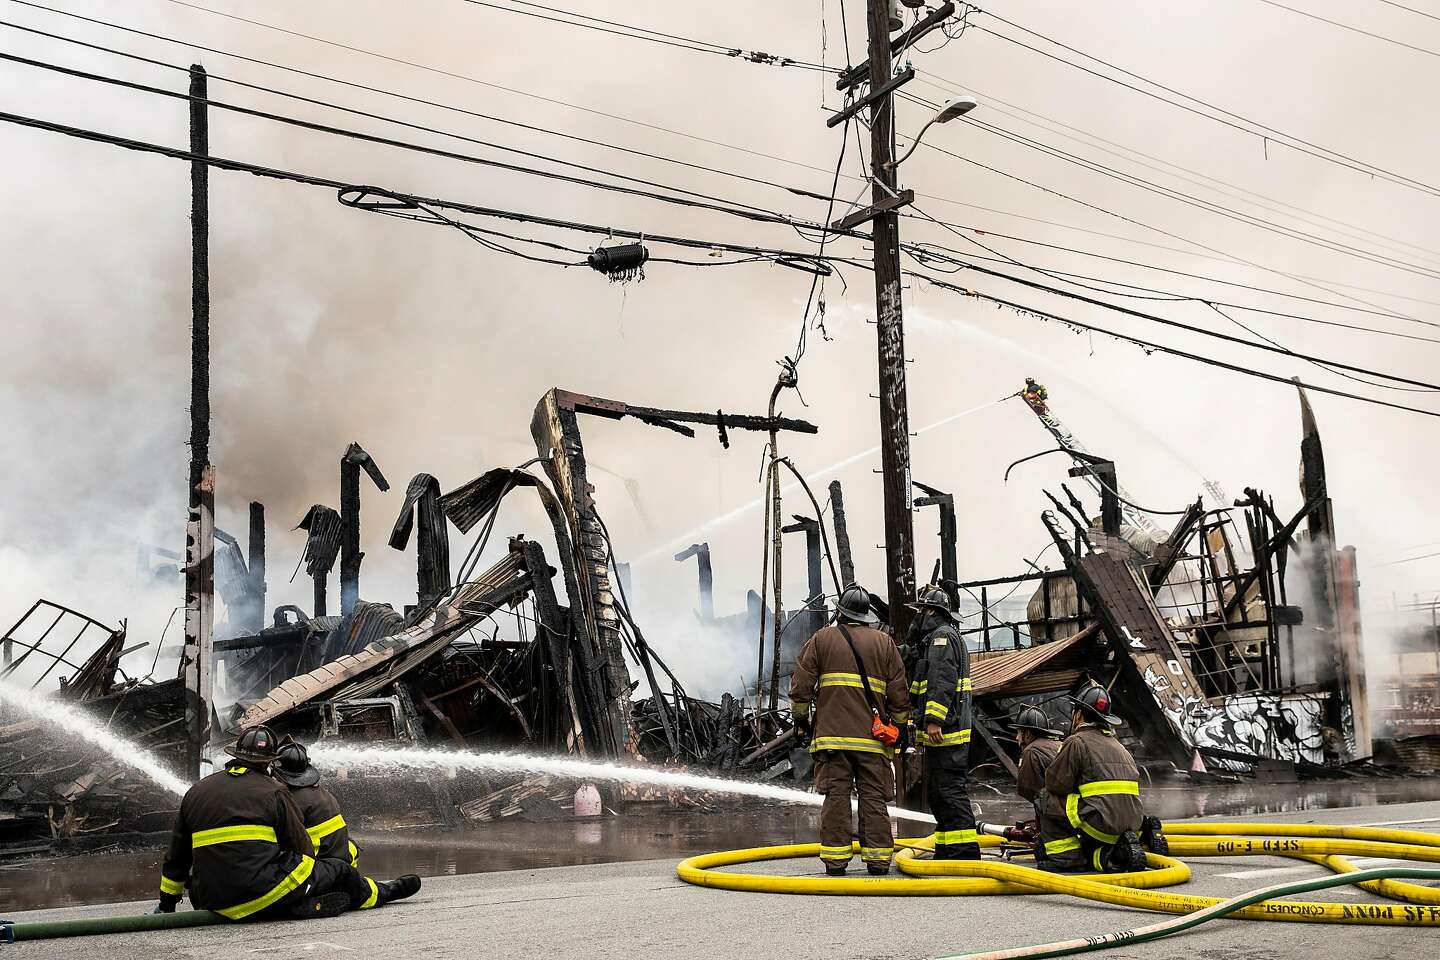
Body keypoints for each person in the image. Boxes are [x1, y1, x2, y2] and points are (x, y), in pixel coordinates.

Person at [155, 725, 421, 919]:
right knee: (340, 871)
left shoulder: (196, 791)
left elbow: (176, 857)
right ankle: (383, 893)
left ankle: (302, 902)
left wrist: (166, 906)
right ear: (270, 763)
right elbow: (301, 850)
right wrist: (320, 876)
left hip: (208, 901)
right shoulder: (273, 792)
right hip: (260, 894)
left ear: (235, 755)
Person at [790, 583, 910, 876]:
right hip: (873, 739)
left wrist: (801, 724)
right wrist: (901, 728)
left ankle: (835, 861)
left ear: (840, 613)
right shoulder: (884, 643)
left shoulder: (821, 639)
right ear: (866, 614)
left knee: (836, 798)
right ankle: (879, 861)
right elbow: (899, 694)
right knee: (874, 798)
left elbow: (801, 688)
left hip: (832, 740)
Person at [1039, 685, 1148, 874]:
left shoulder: (1076, 741)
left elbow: (1056, 784)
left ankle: (1067, 858)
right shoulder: (1120, 746)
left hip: (1101, 825)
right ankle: (1107, 854)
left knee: (1044, 797)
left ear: (1079, 714)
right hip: (1132, 825)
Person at [905, 584, 979, 861]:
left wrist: (933, 720)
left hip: (947, 732)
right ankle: (949, 848)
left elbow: (941, 680)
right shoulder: (936, 638)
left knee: (949, 792)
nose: (917, 617)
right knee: (940, 793)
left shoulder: (942, 638)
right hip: (945, 732)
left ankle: (963, 852)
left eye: (920, 611)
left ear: (932, 611)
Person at [273, 738, 360, 869]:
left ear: (281, 775)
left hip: (322, 871)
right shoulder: (323, 793)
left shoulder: (291, 801)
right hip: (345, 864)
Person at [1006, 706, 1066, 865]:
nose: (1016, 737)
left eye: (1019, 732)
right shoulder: (1058, 744)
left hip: (1059, 817)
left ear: (1027, 733)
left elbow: (1032, 791)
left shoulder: (1031, 751)